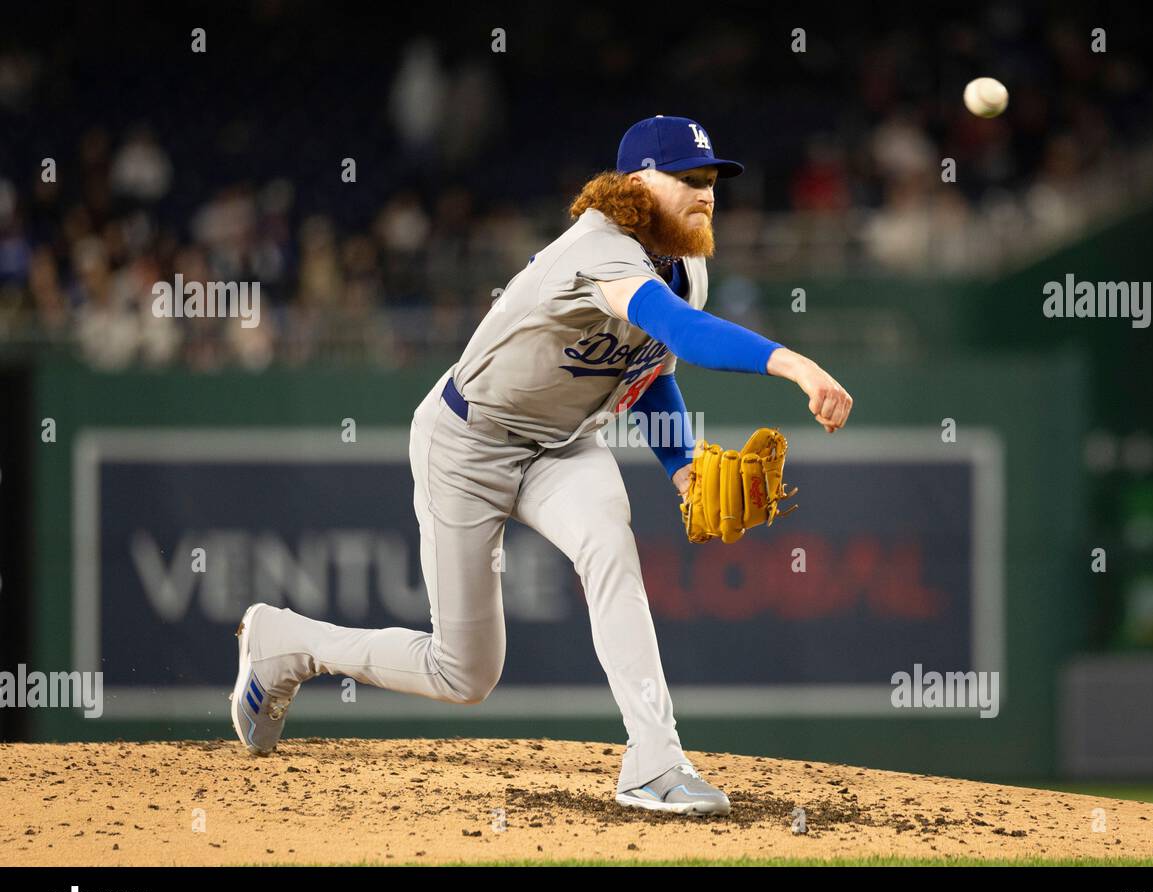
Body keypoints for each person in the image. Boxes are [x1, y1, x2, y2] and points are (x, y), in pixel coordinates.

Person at [231, 115, 853, 816]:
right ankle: (285, 644)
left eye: (710, 180)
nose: (705, 193)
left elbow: (651, 369)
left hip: (562, 445)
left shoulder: (689, 267)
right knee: (464, 673)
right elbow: (680, 330)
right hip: (468, 443)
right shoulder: (600, 249)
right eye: (687, 178)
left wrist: (681, 465)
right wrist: (793, 364)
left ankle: (655, 761)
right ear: (638, 185)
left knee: (611, 547)